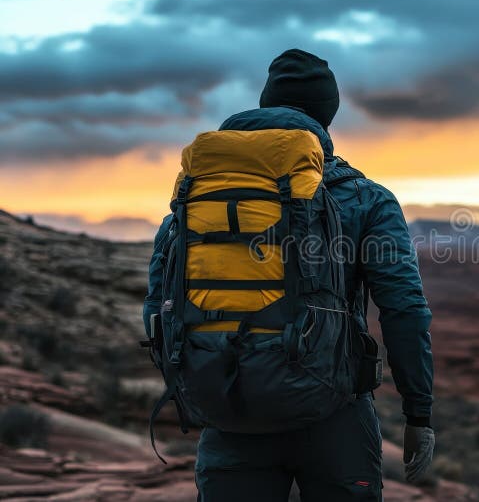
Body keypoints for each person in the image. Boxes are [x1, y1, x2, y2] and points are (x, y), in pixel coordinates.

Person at [143, 49, 434, 501]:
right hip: (333, 414)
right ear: (327, 117)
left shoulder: (199, 193)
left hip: (229, 403)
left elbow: (157, 302)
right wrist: (419, 414)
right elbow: (404, 309)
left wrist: (196, 375)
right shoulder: (365, 197)